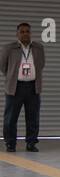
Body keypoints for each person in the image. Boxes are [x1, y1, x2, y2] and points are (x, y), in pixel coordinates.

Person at [2, 21, 45, 153]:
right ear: (17, 34)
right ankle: (10, 144)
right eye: (22, 31)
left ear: (30, 33)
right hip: (15, 87)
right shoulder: (9, 48)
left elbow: (41, 65)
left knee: (33, 117)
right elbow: (3, 67)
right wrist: (13, 76)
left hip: (33, 87)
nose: (25, 34)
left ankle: (31, 143)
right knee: (10, 118)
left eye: (27, 31)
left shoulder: (38, 48)